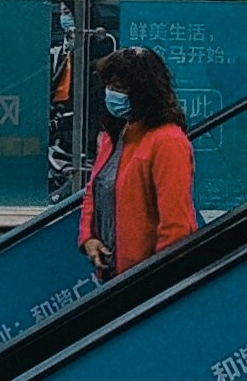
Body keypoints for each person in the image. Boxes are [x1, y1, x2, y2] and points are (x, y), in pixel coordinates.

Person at [79, 44, 198, 279]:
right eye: (110, 85)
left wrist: (153, 281)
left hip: (144, 282)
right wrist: (88, 238)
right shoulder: (114, 134)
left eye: (120, 88)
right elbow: (95, 190)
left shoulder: (168, 142)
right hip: (113, 273)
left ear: (144, 92)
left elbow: (176, 226)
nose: (111, 93)